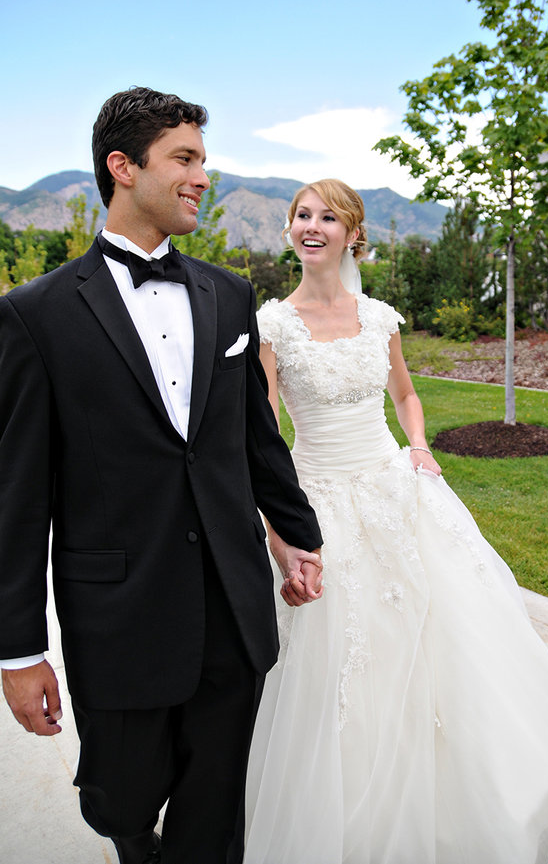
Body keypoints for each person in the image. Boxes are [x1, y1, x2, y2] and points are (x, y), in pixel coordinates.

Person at [0, 87, 323, 864]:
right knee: (120, 798)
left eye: (203, 160)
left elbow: (255, 441)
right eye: (184, 158)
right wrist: (18, 651)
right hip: (119, 613)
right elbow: (17, 498)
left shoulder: (229, 294)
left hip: (230, 602)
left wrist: (297, 536)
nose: (202, 177)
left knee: (214, 814)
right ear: (123, 167)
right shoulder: (35, 315)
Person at [244, 178, 548, 864]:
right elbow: (264, 428)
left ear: (352, 234)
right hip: (318, 496)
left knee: (444, 636)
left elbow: (404, 395)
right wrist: (279, 522)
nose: (311, 226)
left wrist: (421, 446)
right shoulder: (273, 326)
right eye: (301, 215)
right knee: (338, 654)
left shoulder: (380, 318)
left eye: (327, 217)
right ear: (289, 230)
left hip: (395, 488)